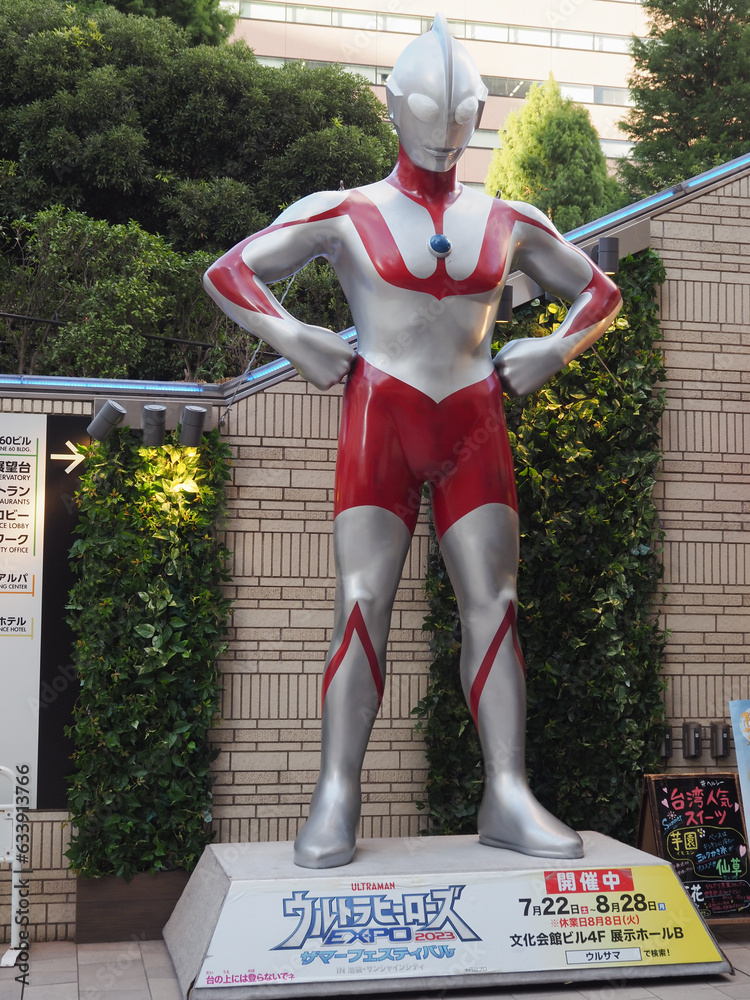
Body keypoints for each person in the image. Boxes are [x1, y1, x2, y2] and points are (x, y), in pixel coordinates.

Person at [203, 15, 622, 869]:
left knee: (495, 606)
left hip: (472, 418)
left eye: (456, 128)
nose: (441, 146)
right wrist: (298, 338)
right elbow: (230, 271)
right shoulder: (347, 212)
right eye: (428, 125)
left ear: (472, 120)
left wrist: (552, 346)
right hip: (381, 415)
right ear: (395, 110)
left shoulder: (510, 218)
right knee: (361, 603)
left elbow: (602, 293)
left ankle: (507, 789)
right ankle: (336, 795)